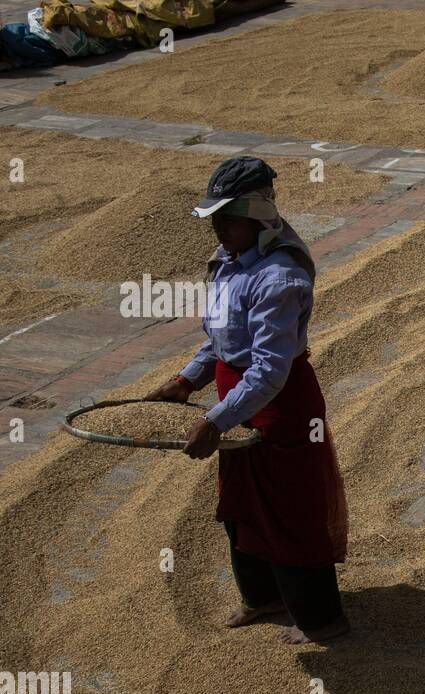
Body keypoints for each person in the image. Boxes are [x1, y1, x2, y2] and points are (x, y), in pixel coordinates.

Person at [145, 156, 349, 645]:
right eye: (215, 220)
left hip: (279, 405)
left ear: (257, 217)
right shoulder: (230, 263)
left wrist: (216, 420)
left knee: (290, 510)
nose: (218, 230)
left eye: (228, 220)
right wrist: (186, 381)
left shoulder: (279, 277)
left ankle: (322, 619)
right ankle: (263, 598)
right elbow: (220, 339)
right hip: (237, 401)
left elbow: (268, 369)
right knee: (241, 506)